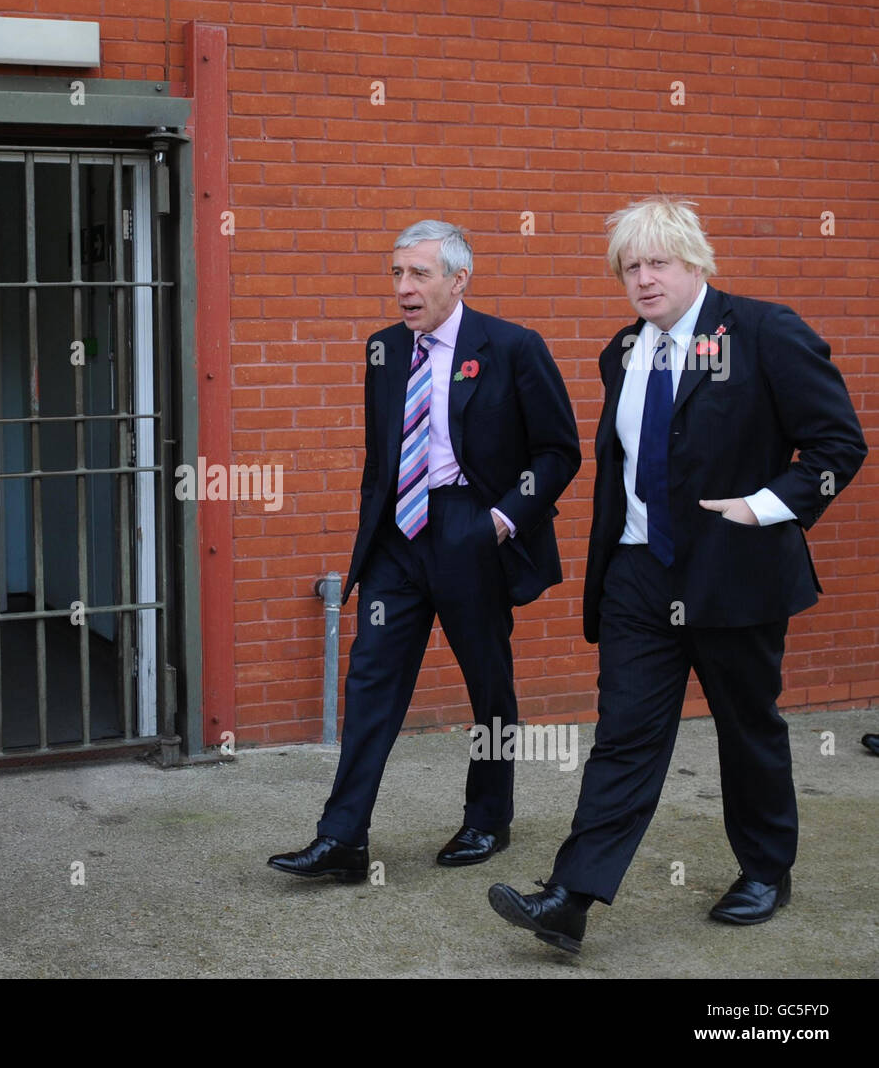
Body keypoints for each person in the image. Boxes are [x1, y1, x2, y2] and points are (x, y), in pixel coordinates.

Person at [488, 198, 867, 953]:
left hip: (736, 571)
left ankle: (766, 870)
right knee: (623, 737)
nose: (643, 278)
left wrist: (764, 506)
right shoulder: (622, 352)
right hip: (638, 573)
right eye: (630, 266)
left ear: (696, 262)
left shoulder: (763, 332)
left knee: (746, 728)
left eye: (658, 262)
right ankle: (570, 898)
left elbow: (838, 445)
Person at [268, 220, 580, 881]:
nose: (403, 288)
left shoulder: (513, 347)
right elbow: (381, 457)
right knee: (372, 679)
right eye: (396, 274)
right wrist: (371, 532)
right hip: (398, 540)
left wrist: (502, 518)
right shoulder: (383, 350)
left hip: (473, 528)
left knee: (487, 683)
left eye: (418, 274)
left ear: (458, 280)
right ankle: (343, 838)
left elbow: (559, 451)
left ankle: (488, 819)